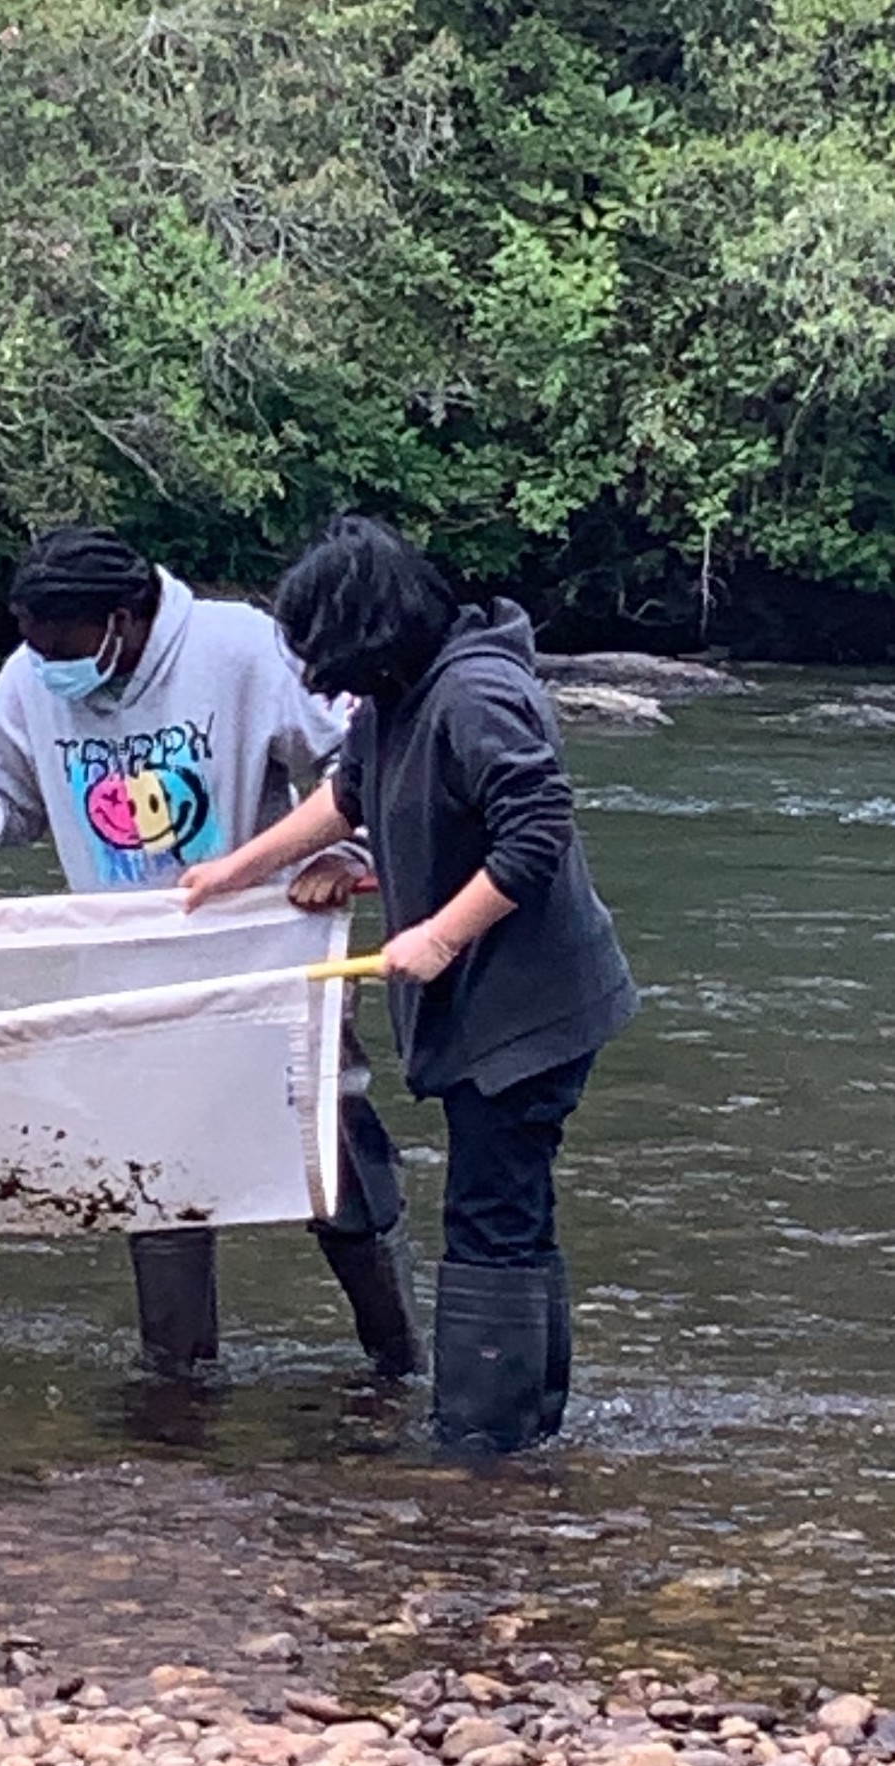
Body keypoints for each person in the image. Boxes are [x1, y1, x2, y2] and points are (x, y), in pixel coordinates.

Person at [0, 525, 419, 1378]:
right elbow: (8, 802)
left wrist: (346, 854)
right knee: (159, 1182)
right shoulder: (27, 681)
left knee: (331, 1160)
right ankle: (178, 1388)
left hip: (265, 962)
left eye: (60, 648)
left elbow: (359, 766)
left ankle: (400, 1363)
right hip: (130, 985)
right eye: (33, 648)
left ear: (119, 620)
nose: (46, 665)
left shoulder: (239, 648)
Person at [183, 514, 638, 1450]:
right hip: (489, 1006)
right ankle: (524, 1428)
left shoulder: (474, 694)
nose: (314, 669)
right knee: (510, 1207)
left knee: (489, 1212)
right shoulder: (396, 693)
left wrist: (438, 933)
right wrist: (237, 870)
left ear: (366, 629)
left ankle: (481, 1442)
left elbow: (536, 831)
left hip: (532, 1006)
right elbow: (345, 795)